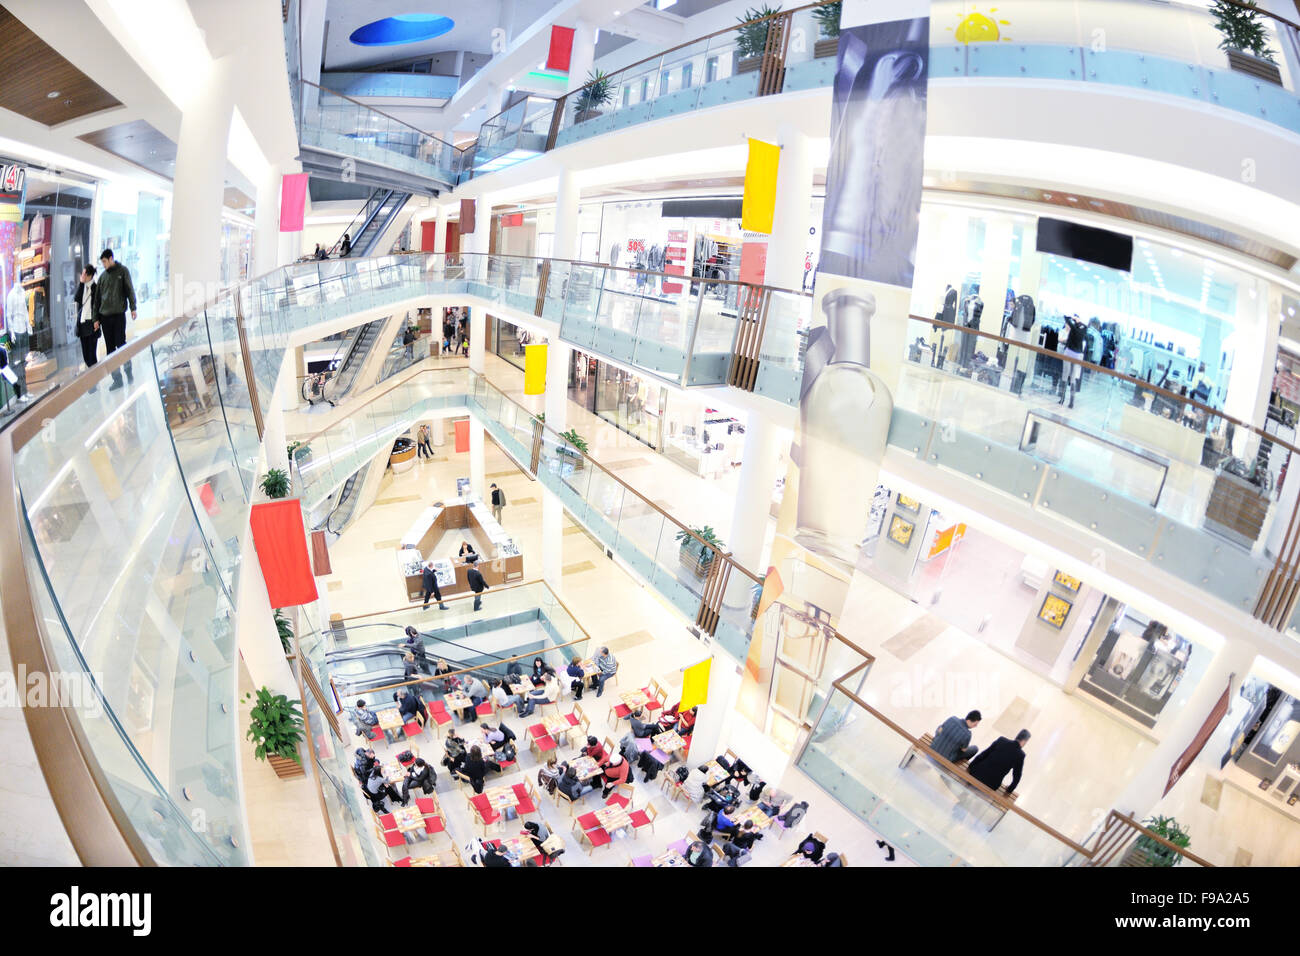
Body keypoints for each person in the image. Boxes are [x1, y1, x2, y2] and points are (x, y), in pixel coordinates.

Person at [96, 249, 137, 390]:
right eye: (102, 262)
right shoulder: (102, 278)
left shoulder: (122, 271)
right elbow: (97, 300)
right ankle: (117, 379)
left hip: (119, 316)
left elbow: (129, 289)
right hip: (105, 318)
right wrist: (96, 319)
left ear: (111, 258)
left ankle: (129, 373)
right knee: (110, 350)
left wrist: (133, 307)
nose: (104, 265)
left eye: (105, 261)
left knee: (121, 345)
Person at [967, 728, 1031, 794]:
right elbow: (1017, 776)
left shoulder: (1001, 740)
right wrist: (1010, 789)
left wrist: (971, 766)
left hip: (976, 773)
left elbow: (983, 754)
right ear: (1024, 741)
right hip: (991, 784)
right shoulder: (1020, 755)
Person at [74, 264, 102, 373]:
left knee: (92, 355)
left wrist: (97, 321)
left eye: (85, 273)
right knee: (86, 356)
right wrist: (81, 283)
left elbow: (98, 306)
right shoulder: (83, 287)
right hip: (82, 324)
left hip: (92, 324)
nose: (83, 275)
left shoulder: (95, 288)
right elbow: (77, 299)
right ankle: (94, 380)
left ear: (90, 275)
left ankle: (95, 380)